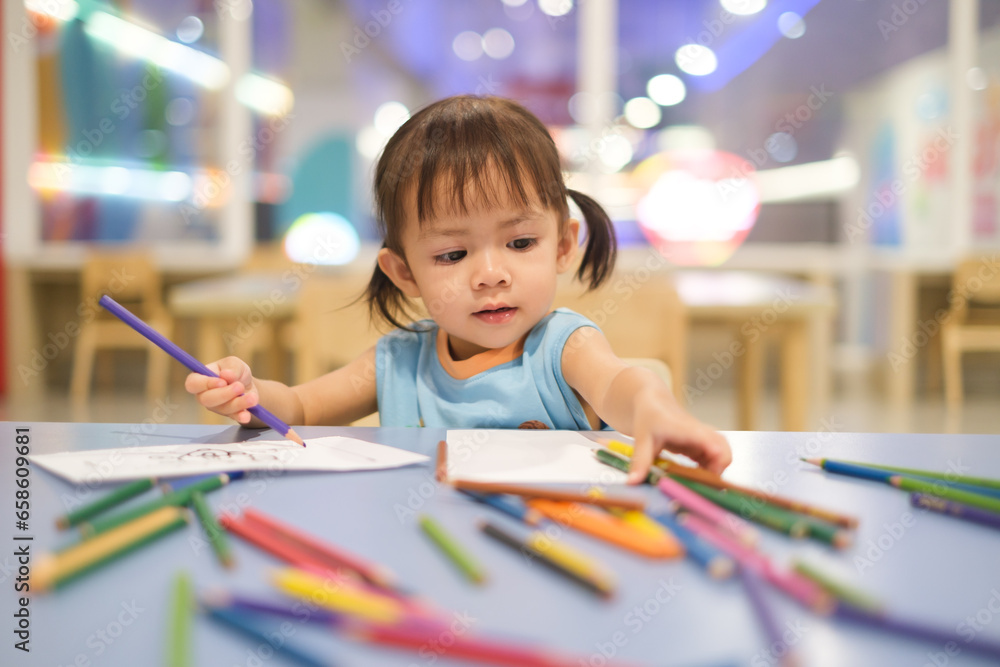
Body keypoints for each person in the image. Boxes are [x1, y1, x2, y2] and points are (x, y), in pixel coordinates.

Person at [185, 95, 731, 482]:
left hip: (551, 546)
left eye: (520, 244)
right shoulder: (398, 362)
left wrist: (656, 409)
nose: (490, 274)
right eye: (452, 254)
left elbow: (622, 387)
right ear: (405, 273)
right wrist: (254, 399)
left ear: (563, 246)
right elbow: (301, 408)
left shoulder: (562, 348)